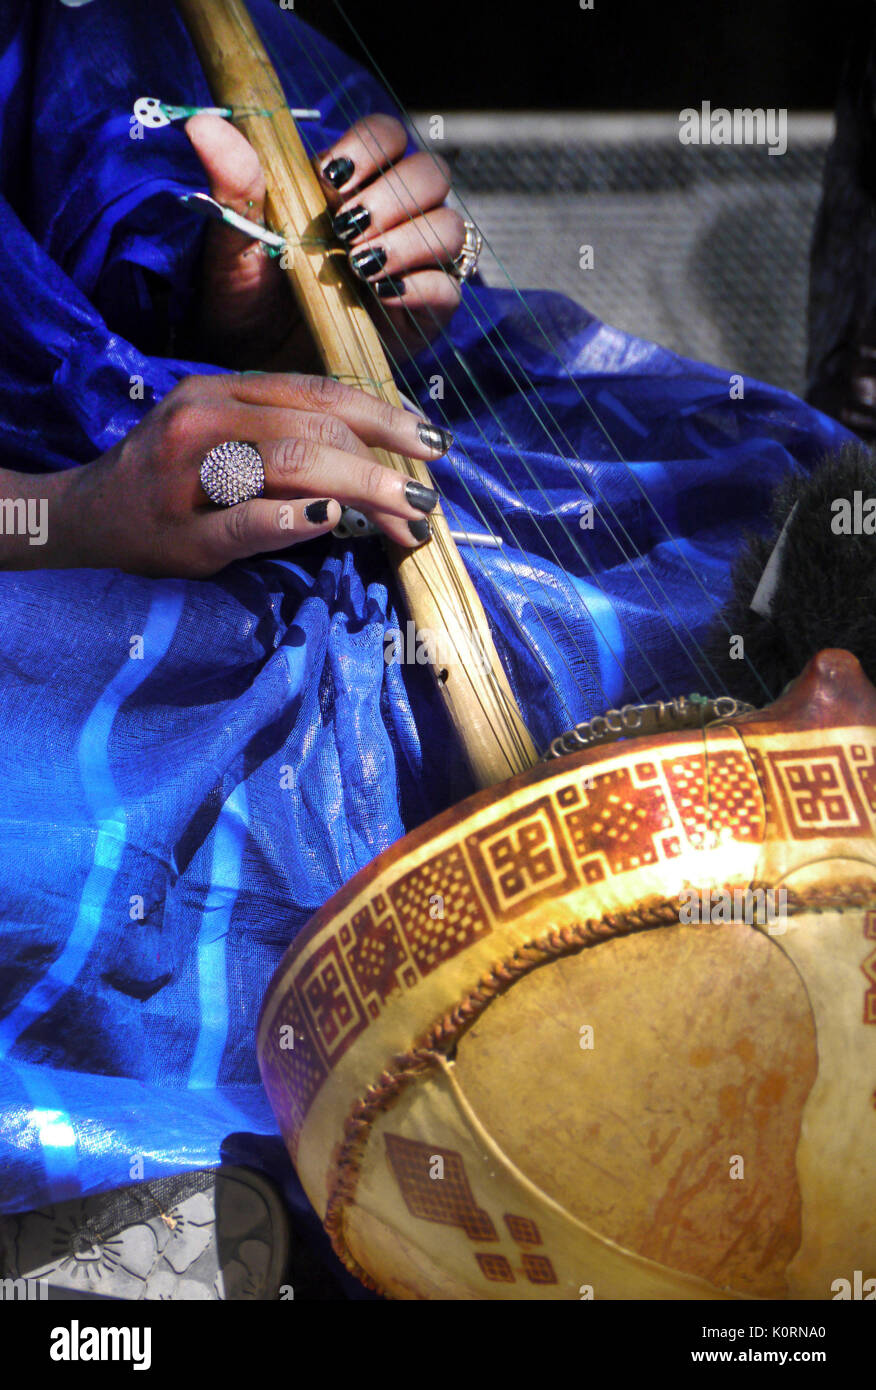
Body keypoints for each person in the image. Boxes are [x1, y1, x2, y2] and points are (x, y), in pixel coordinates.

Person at [0, 0, 855, 1295]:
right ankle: (171, 1201)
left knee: (740, 534)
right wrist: (76, 512)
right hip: (64, 591)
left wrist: (252, 297)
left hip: (304, 464)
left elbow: (155, 195)